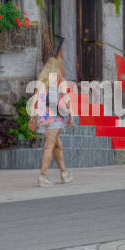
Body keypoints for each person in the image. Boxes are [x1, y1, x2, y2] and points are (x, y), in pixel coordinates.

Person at [34, 57, 74, 187]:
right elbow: (66, 99)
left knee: (57, 146)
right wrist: (71, 115)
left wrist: (32, 118)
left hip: (43, 118)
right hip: (55, 117)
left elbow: (35, 101)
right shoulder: (59, 80)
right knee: (49, 147)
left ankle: (64, 173)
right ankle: (43, 176)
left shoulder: (41, 81)